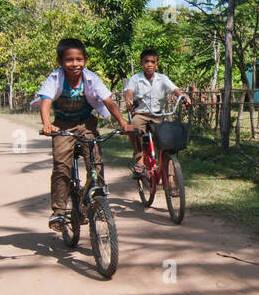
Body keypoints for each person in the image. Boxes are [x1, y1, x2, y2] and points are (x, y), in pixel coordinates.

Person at [32, 37, 131, 231]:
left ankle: (97, 202)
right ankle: (59, 213)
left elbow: (108, 101)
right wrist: (47, 124)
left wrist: (122, 122)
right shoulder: (55, 78)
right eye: (69, 60)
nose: (74, 64)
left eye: (79, 59)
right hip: (62, 126)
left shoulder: (92, 78)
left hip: (86, 123)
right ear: (60, 61)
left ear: (85, 60)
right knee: (61, 166)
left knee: (96, 162)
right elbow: (46, 101)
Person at [123, 49, 185, 177]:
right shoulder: (135, 78)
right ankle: (139, 157)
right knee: (132, 127)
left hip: (158, 115)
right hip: (141, 114)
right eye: (146, 61)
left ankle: (171, 179)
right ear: (141, 63)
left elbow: (175, 89)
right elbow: (129, 91)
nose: (149, 64)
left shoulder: (162, 78)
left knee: (168, 145)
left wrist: (183, 97)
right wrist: (128, 100)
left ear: (156, 64)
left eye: (152, 62)